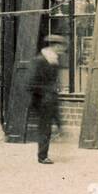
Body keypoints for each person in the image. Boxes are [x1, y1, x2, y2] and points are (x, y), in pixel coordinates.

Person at [28, 34, 66, 165]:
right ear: (54, 46)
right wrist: (43, 94)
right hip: (42, 100)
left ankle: (60, 133)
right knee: (45, 128)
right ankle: (42, 156)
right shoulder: (40, 60)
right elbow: (31, 82)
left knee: (51, 124)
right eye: (60, 46)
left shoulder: (54, 60)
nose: (62, 49)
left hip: (50, 98)